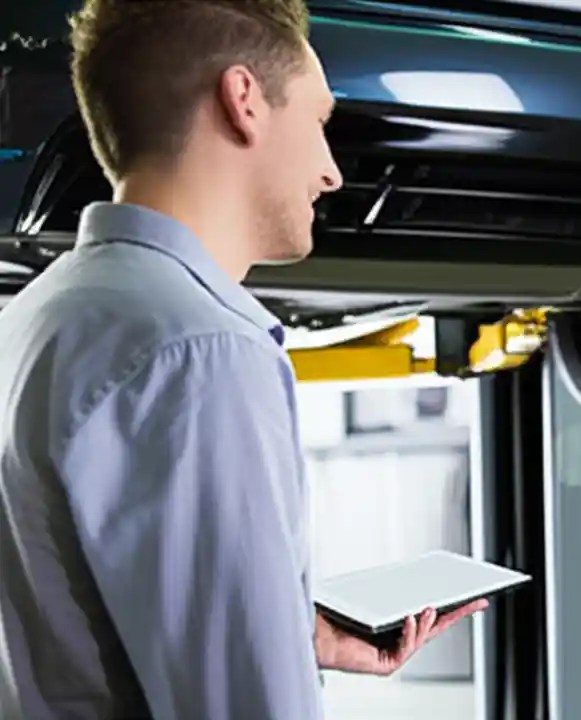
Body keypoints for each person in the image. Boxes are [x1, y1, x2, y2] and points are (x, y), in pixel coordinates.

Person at [0, 1, 485, 718]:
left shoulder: (39, 316)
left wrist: (288, 633)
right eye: (319, 123)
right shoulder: (200, 351)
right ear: (244, 101)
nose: (331, 173)